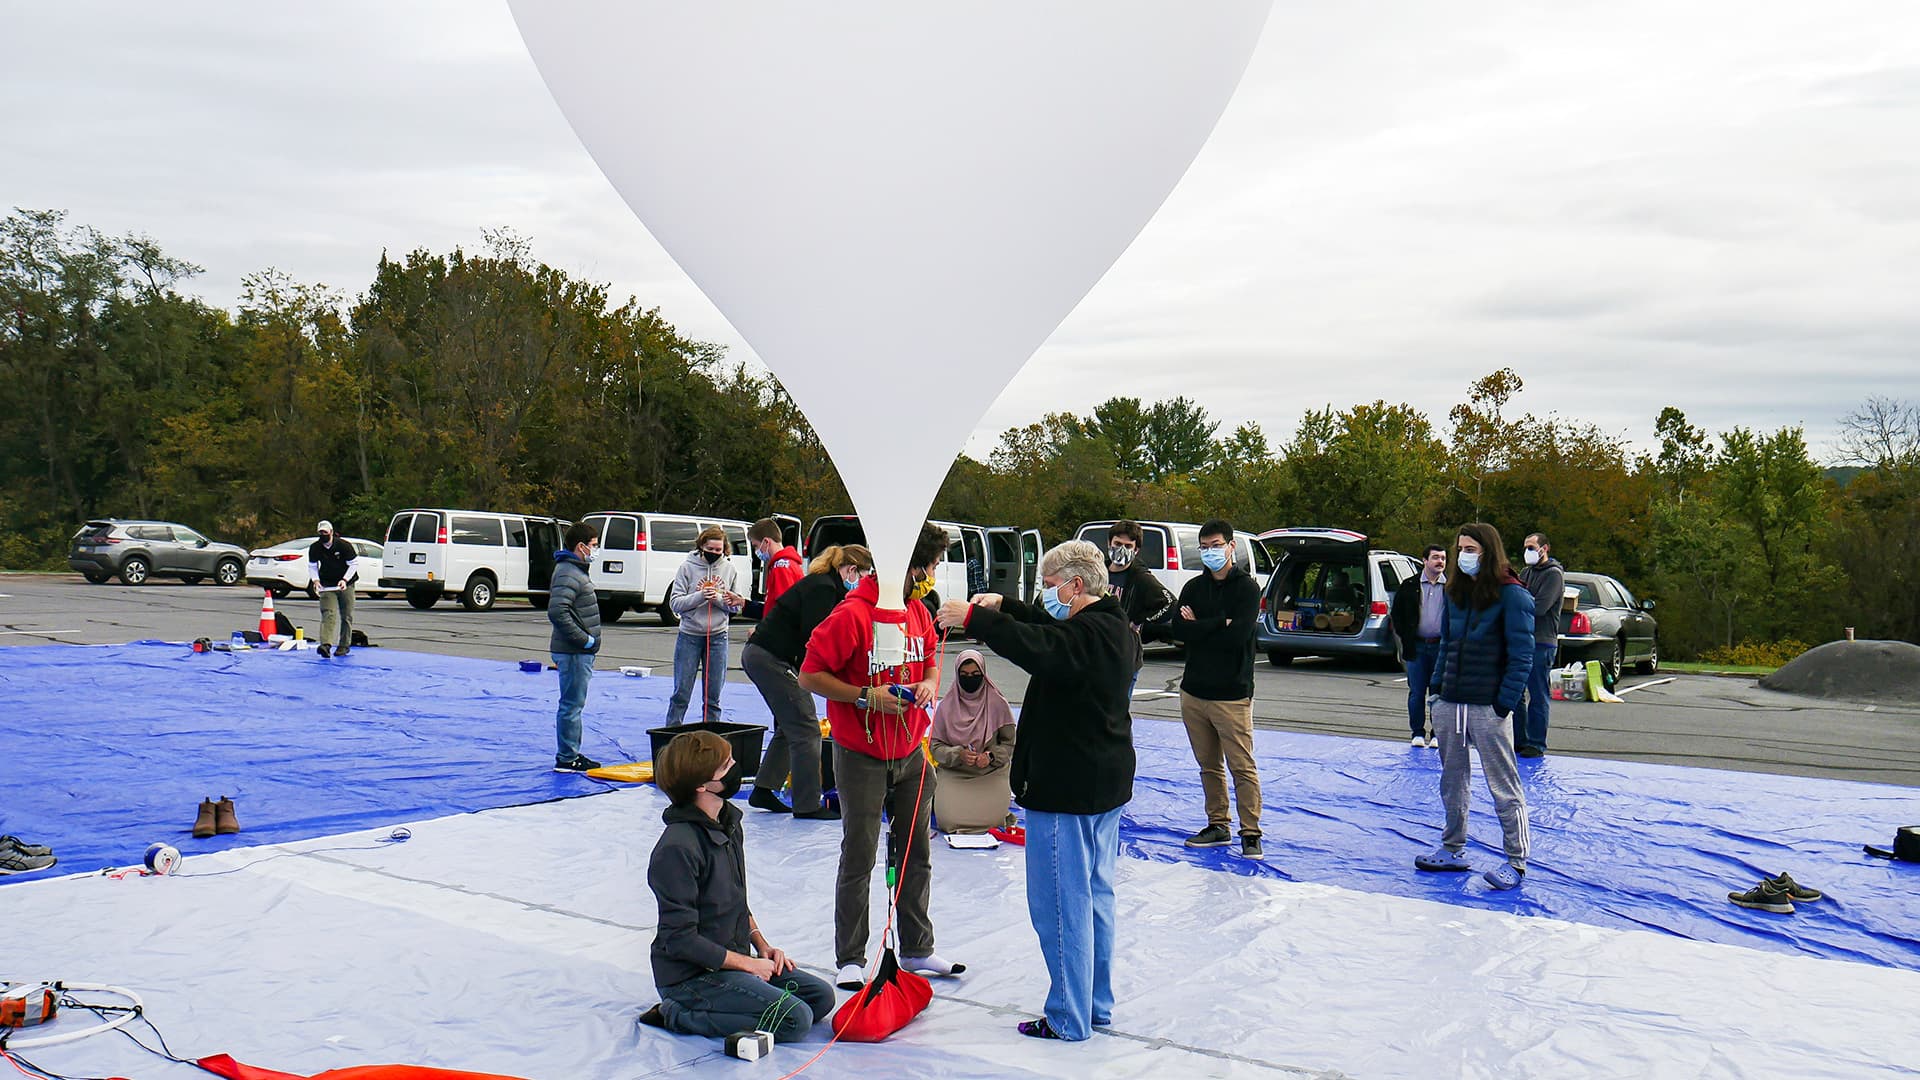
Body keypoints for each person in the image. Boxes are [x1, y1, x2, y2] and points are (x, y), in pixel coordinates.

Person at [936, 540, 1136, 1041]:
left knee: (1061, 904)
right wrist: (1007, 607)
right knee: (1095, 898)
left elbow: (1043, 648)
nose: (1046, 595)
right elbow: (1054, 634)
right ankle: (1096, 1003)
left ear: (1074, 585)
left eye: (1049, 586)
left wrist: (977, 621)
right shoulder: (1114, 628)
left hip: (1066, 788)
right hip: (1104, 785)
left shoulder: (1083, 640)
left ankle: (1069, 1017)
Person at [799, 522, 961, 992]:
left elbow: (931, 656)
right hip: (862, 753)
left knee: (917, 851)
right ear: (911, 568)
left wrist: (931, 681)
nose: (933, 575)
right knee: (860, 852)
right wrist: (866, 697)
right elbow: (810, 675)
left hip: (911, 750)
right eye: (930, 567)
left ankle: (918, 947)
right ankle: (850, 956)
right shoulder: (852, 615)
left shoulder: (916, 611)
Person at [639, 730, 837, 1043]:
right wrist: (748, 965)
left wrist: (762, 946)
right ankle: (675, 1013)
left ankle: (739, 992)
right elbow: (679, 939)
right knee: (794, 1020)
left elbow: (734, 899)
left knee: (820, 998)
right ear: (702, 785)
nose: (735, 768)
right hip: (693, 977)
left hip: (732, 960)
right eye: (725, 766)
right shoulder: (677, 849)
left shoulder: (729, 822)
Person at [1415, 522, 1536, 891]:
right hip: (1450, 701)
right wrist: (1436, 690)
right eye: (1460, 549)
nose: (1463, 556)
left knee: (1504, 785)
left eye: (1471, 549)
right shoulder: (1455, 593)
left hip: (1488, 707)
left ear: (1488, 551)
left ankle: (1516, 862)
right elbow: (1446, 644)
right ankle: (1453, 847)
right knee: (1452, 782)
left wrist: (1503, 703)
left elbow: (1522, 655)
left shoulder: (1513, 596)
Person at [1142, 519, 1265, 860]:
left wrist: (1200, 626)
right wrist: (1213, 625)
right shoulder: (1195, 588)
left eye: (1216, 545)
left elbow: (1238, 636)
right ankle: (1218, 824)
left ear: (1230, 547)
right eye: (1205, 547)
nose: (1210, 552)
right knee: (1209, 765)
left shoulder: (1247, 589)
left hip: (1232, 693)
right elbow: (1179, 630)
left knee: (1242, 766)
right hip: (1194, 690)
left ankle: (1251, 832)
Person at [742, 543, 873, 821]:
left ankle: (764, 788)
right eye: (864, 574)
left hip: (766, 655)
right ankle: (806, 803)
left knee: (790, 724)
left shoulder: (823, 585)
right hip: (771, 658)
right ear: (851, 570)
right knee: (806, 727)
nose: (863, 581)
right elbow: (816, 636)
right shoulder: (824, 589)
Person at [926, 650, 1018, 834]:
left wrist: (991, 756)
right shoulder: (947, 707)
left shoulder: (997, 704)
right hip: (955, 774)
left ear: (983, 674)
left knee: (994, 819)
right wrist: (958, 754)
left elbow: (1010, 745)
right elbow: (935, 747)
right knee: (949, 819)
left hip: (990, 773)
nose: (970, 679)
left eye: (975, 675)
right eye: (964, 675)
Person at [666, 527, 746, 727]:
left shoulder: (730, 570)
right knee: (681, 692)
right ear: (702, 546)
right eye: (710, 548)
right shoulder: (687, 568)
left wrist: (718, 598)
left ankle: (711, 735)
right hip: (690, 635)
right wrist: (700, 596)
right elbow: (675, 603)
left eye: (719, 550)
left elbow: (735, 606)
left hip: (718, 636)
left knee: (713, 695)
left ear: (724, 550)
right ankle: (671, 732)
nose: (714, 553)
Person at [548, 522, 603, 772]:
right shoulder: (569, 572)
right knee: (571, 705)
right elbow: (558, 611)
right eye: (593, 545)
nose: (596, 549)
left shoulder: (575, 571)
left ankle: (570, 753)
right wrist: (584, 640)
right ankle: (567, 757)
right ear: (581, 546)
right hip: (573, 652)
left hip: (578, 651)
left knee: (573, 704)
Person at [1105, 520, 1175, 692]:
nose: (1121, 549)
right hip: (1097, 650)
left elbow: (1169, 603)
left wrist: (1139, 621)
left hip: (1124, 655)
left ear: (1136, 550)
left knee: (1117, 712)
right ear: (1109, 543)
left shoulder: (1141, 578)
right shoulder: (1099, 571)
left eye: (1128, 546)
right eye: (1117, 544)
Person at [1391, 545, 1449, 748]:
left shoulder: (1450, 588)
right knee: (1416, 691)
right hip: (1417, 647)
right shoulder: (1409, 586)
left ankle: (1437, 733)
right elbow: (1396, 615)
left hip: (1440, 647)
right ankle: (1417, 732)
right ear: (1424, 560)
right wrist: (1405, 638)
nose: (1440, 561)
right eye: (1435, 558)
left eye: (1443, 558)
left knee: (1438, 692)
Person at [1516, 532, 1565, 758]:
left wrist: (1519, 604)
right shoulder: (1526, 573)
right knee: (1516, 693)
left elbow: (1540, 607)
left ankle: (1536, 742)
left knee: (1537, 693)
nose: (1528, 551)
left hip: (1542, 642)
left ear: (1545, 549)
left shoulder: (1554, 575)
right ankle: (1518, 739)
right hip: (1521, 639)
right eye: (1526, 547)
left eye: (1532, 547)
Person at [308, 520, 359, 658]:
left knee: (346, 615)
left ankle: (344, 645)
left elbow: (353, 564)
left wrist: (345, 580)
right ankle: (326, 644)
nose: (323, 534)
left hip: (345, 584)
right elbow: (312, 565)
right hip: (327, 585)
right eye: (320, 532)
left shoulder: (343, 546)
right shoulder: (315, 548)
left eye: (325, 532)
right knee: (328, 613)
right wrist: (316, 580)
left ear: (331, 532)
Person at [744, 518, 804, 619]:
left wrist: (762, 630)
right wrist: (744, 603)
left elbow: (783, 610)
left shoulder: (781, 567)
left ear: (766, 542)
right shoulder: (787, 564)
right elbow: (772, 606)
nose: (756, 550)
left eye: (756, 546)